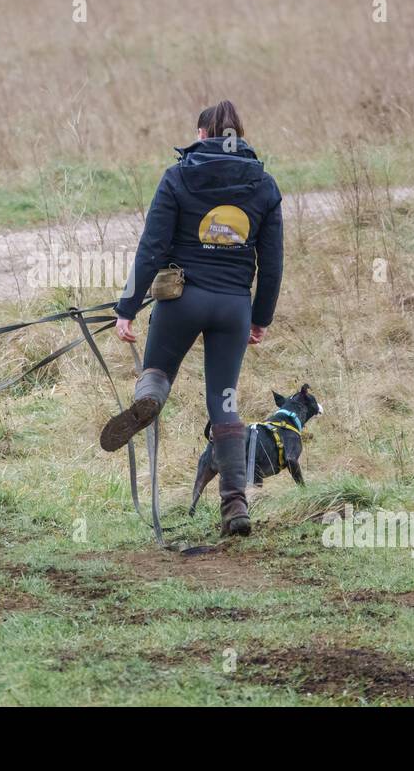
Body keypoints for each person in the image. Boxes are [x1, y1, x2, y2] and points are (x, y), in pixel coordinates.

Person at [102, 100, 284, 536]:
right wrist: (261, 318)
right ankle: (236, 503)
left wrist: (127, 308)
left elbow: (151, 248)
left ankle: (152, 399)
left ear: (201, 135)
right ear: (238, 137)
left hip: (181, 302)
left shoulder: (178, 176)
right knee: (224, 402)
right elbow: (273, 263)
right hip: (233, 308)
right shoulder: (264, 185)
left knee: (158, 369)